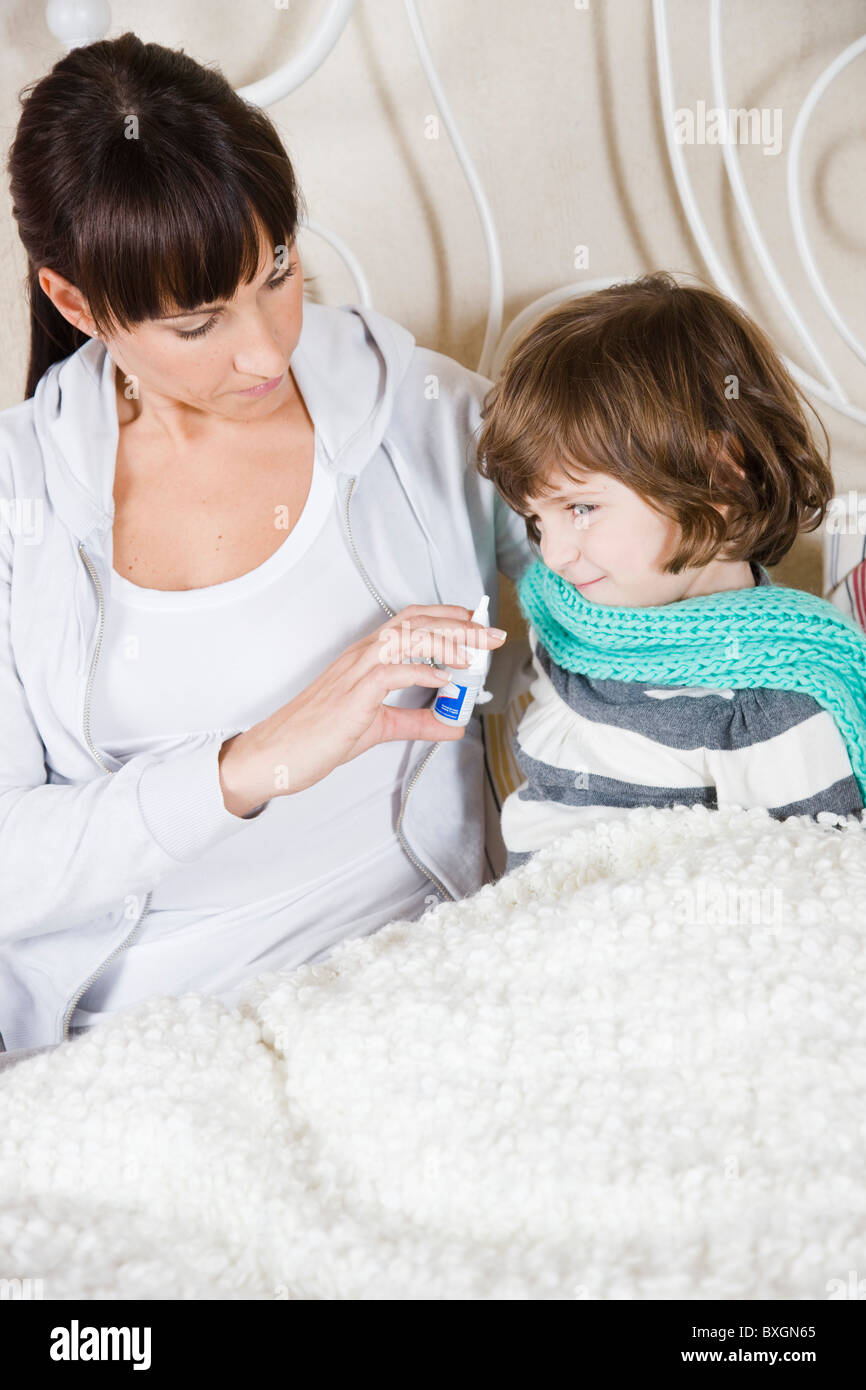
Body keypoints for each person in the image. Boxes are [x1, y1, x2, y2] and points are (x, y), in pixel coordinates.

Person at [0, 32, 532, 1058]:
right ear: (74, 302)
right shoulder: (19, 498)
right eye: (199, 322)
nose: (266, 345)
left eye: (276, 268)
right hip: (135, 1043)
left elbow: (624, 579)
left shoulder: (416, 414)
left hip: (415, 986)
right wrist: (253, 762)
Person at [473, 274, 866, 870]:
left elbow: (816, 905)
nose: (551, 555)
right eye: (535, 516)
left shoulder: (775, 709)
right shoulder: (573, 619)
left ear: (719, 478)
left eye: (581, 507)